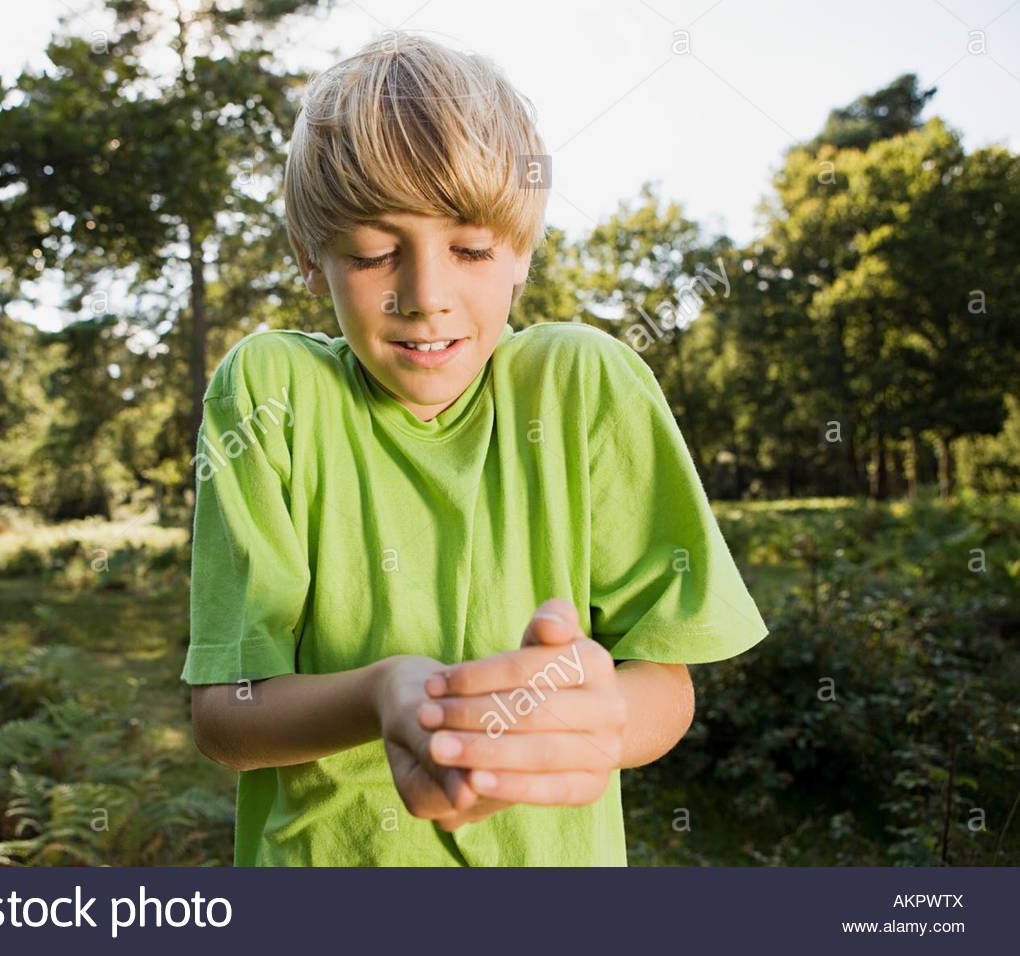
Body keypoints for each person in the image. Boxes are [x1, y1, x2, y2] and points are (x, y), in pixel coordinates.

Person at [180, 30, 769, 866]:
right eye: (376, 252)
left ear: (521, 254)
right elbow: (226, 717)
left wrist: (595, 708)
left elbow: (664, 691)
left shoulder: (586, 386)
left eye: (470, 249)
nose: (426, 297)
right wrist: (384, 693)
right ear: (312, 261)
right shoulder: (271, 394)